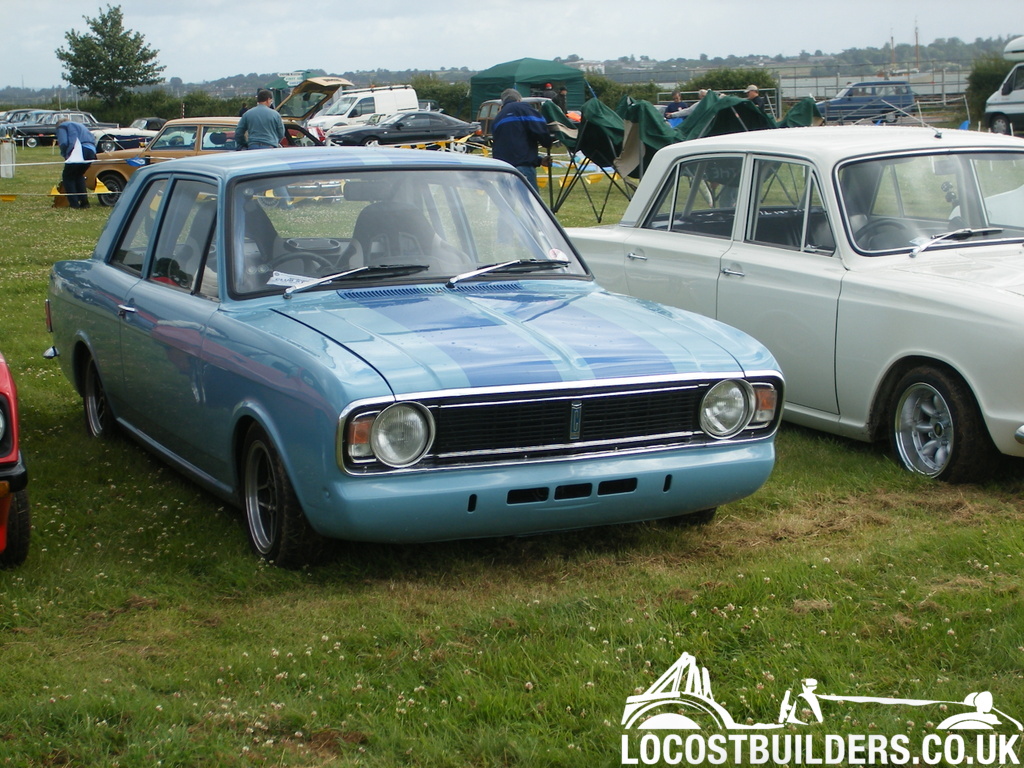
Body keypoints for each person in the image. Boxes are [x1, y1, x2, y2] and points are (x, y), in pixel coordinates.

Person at [491, 88, 554, 193]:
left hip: (502, 169)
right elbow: (540, 128)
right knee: (531, 205)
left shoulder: (497, 119)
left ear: (503, 102)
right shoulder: (523, 108)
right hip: (522, 169)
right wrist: (547, 142)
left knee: (507, 206)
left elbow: (509, 146)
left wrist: (539, 160)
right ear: (519, 99)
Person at [55, 118, 97, 209]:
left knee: (68, 176)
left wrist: (65, 154)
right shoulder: (80, 125)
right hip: (91, 151)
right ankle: (84, 202)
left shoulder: (62, 126)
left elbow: (64, 143)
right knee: (78, 175)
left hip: (78, 151)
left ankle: (74, 204)